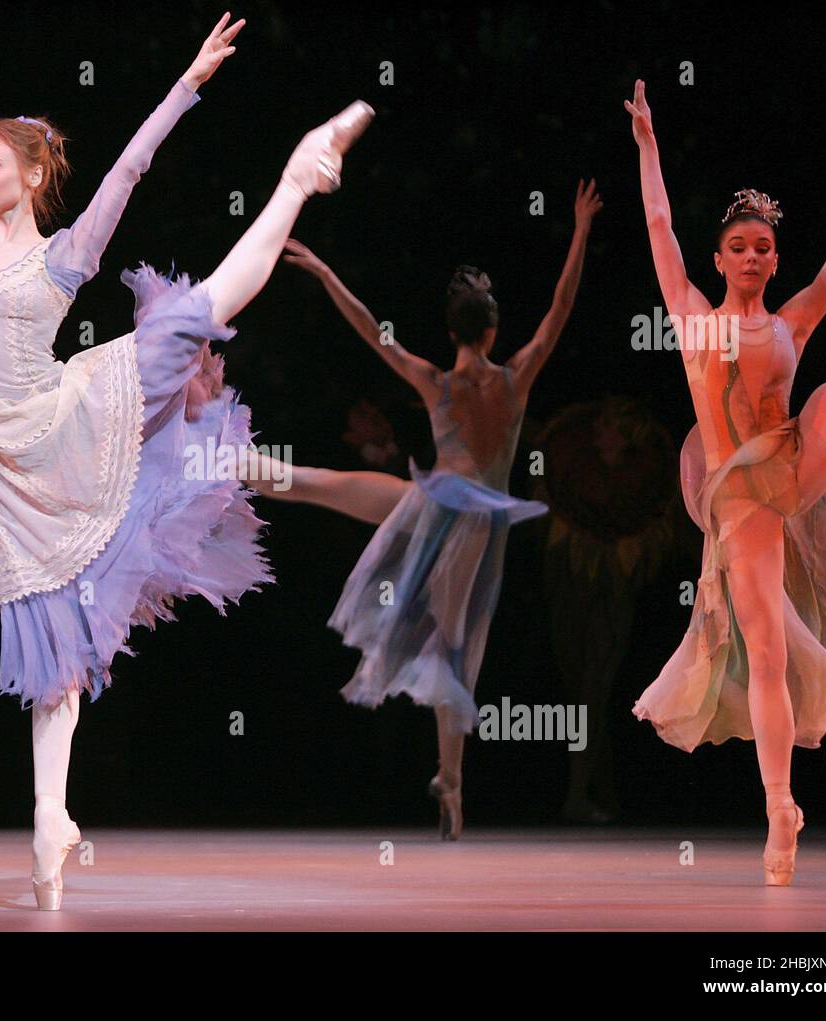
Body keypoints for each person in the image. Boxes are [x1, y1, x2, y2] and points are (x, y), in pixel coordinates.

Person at [0, 12, 375, 910]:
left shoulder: (60, 257)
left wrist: (190, 81)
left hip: (65, 423)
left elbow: (128, 167)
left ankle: (299, 175)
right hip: (11, 478)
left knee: (205, 305)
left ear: (33, 175)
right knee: (57, 655)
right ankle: (49, 823)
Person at [244, 179, 600, 839]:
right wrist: (579, 230)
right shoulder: (517, 377)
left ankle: (217, 458)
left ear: (452, 329)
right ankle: (453, 782)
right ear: (492, 328)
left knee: (320, 484)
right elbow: (561, 307)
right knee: (453, 648)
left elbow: (370, 332)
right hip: (471, 520)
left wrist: (325, 272)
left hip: (430, 502)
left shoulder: (433, 380)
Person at [624, 79, 826, 884]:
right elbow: (661, 225)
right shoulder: (694, 317)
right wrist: (649, 147)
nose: (750, 257)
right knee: (768, 650)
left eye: (763, 248)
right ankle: (780, 805)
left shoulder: (791, 319)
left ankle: (779, 803)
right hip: (740, 502)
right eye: (737, 247)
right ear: (720, 258)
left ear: (774, 258)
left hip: (793, 459)